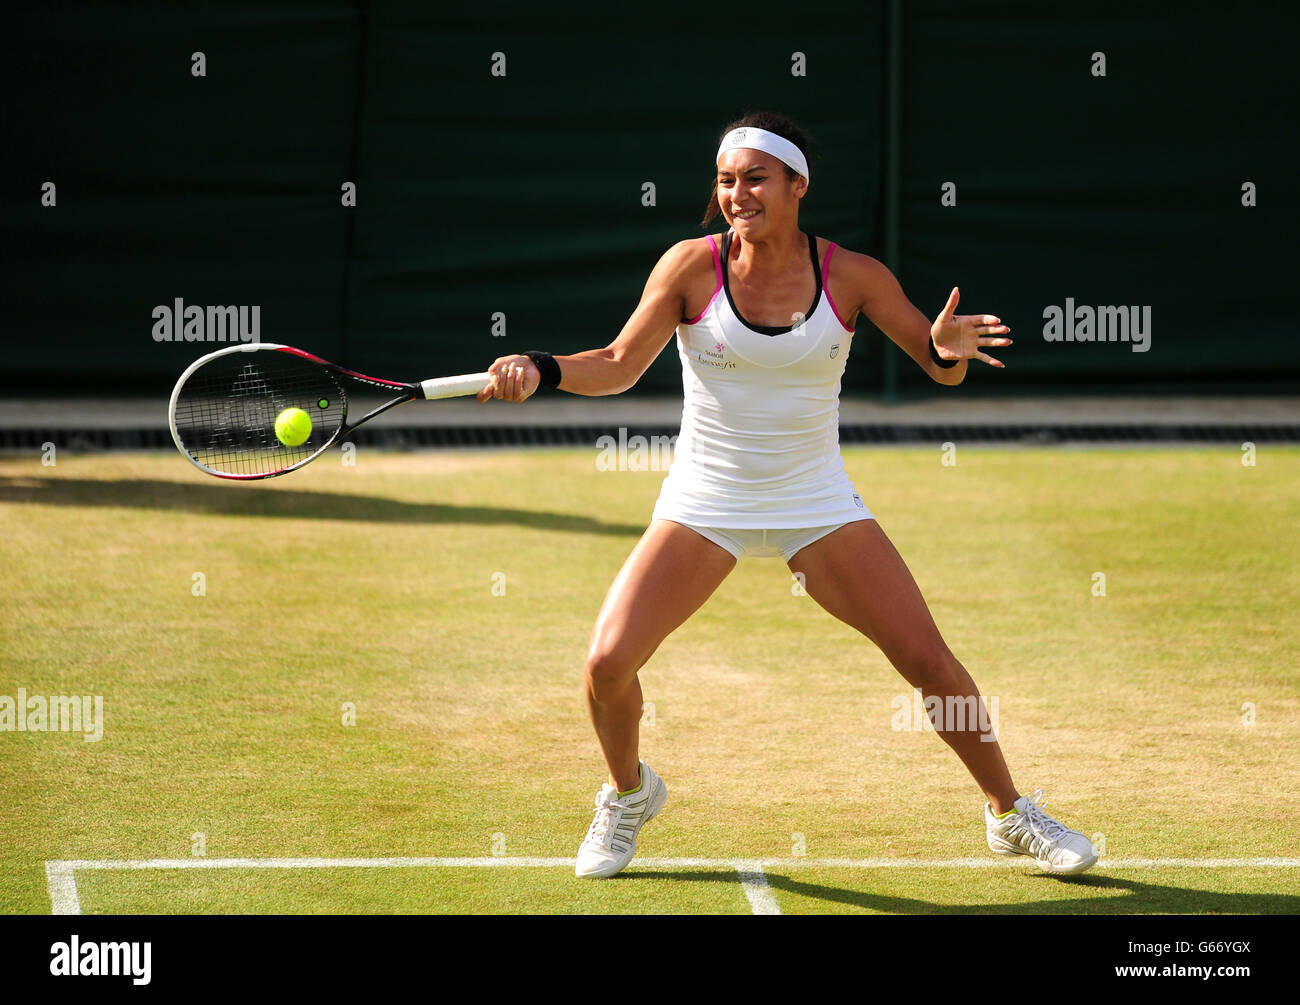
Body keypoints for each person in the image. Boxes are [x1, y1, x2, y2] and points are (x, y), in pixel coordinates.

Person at [476, 111, 1097, 880]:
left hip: (817, 499)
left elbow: (936, 362)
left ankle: (1011, 813)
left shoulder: (855, 276)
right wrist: (542, 366)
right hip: (707, 497)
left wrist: (950, 349)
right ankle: (629, 792)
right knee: (607, 662)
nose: (738, 193)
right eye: (727, 180)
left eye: (756, 178)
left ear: (798, 184)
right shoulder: (689, 267)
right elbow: (618, 361)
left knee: (929, 662)